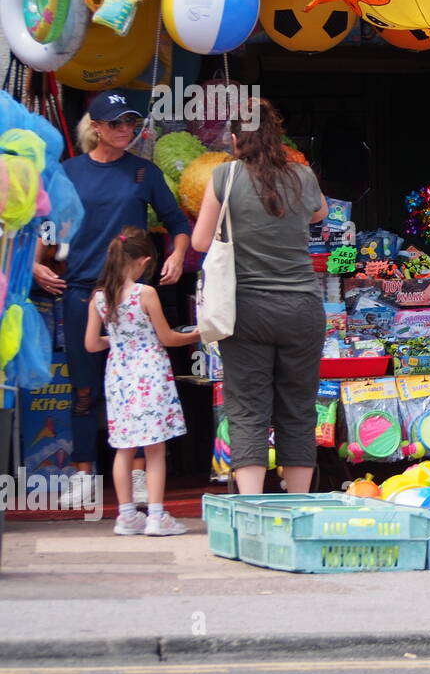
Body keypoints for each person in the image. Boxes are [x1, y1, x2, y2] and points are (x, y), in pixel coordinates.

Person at [33, 91, 192, 510]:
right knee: (84, 389)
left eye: (131, 123)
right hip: (82, 289)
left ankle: (140, 477)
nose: (125, 130)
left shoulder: (144, 172)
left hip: (131, 296)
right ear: (96, 127)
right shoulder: (68, 172)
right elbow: (44, 222)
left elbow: (177, 222)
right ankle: (84, 475)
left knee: (139, 387)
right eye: (116, 123)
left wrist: (176, 253)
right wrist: (35, 265)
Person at [191, 99, 327, 494]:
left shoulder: (225, 177)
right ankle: (297, 504)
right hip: (302, 309)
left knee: (248, 408)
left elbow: (201, 240)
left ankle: (253, 509)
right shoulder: (302, 176)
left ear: (235, 139)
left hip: (245, 309)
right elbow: (318, 214)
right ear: (277, 137)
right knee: (298, 410)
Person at [85, 228, 199, 535]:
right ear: (142, 262)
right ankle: (156, 516)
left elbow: (91, 344)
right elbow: (168, 337)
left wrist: (118, 340)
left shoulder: (98, 297)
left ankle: (126, 516)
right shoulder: (144, 294)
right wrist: (199, 333)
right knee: (155, 449)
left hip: (118, 376)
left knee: (123, 447)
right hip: (150, 373)